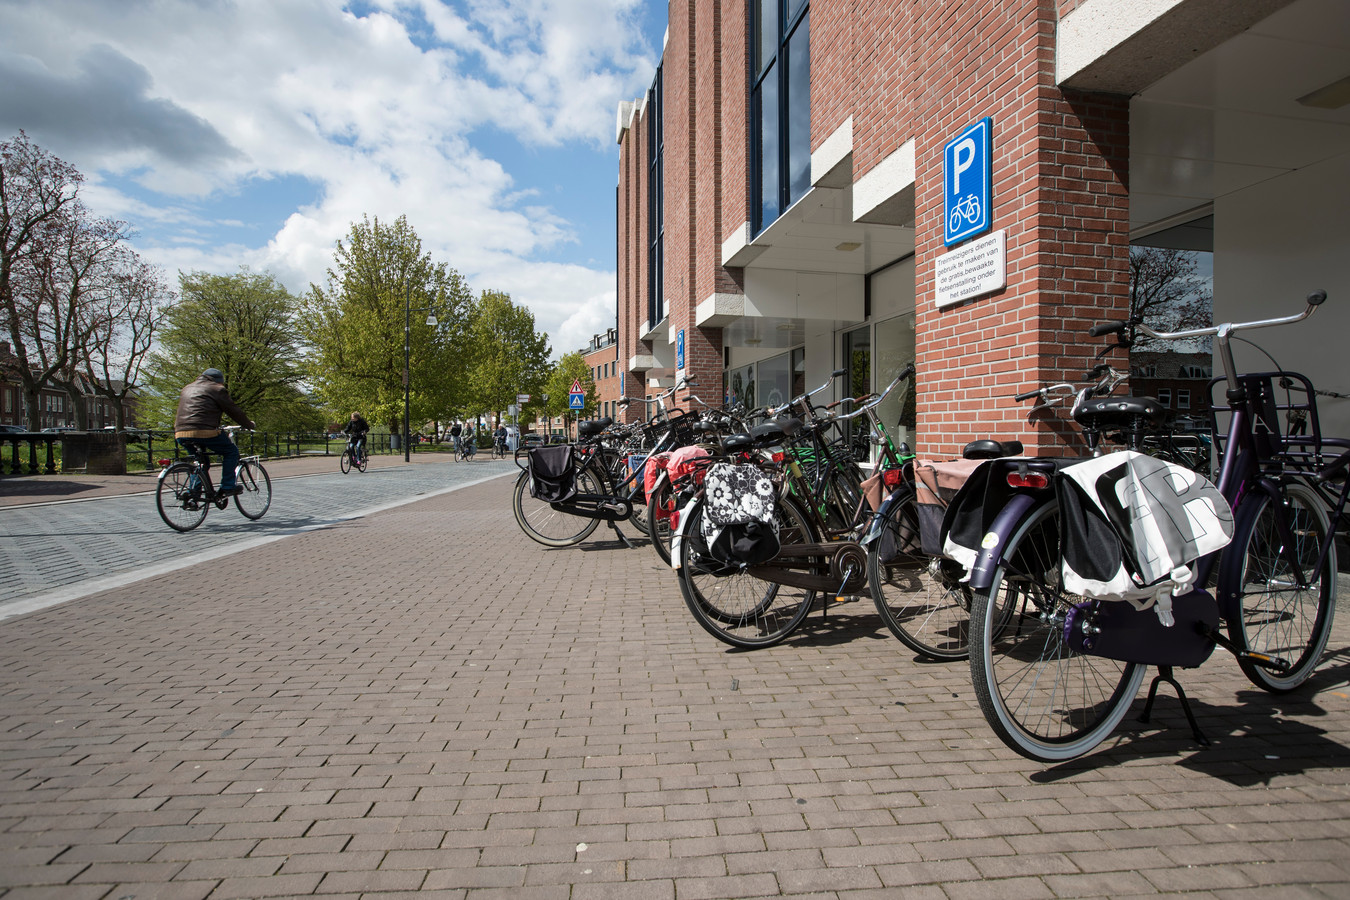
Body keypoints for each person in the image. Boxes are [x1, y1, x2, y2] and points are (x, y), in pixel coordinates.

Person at [174, 368, 255, 495]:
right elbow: (233, 410)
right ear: (219, 381)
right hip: (204, 431)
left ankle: (194, 493)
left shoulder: (187, 388)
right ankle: (228, 486)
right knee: (231, 451)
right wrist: (249, 424)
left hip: (180, 432)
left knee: (200, 461)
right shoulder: (217, 389)